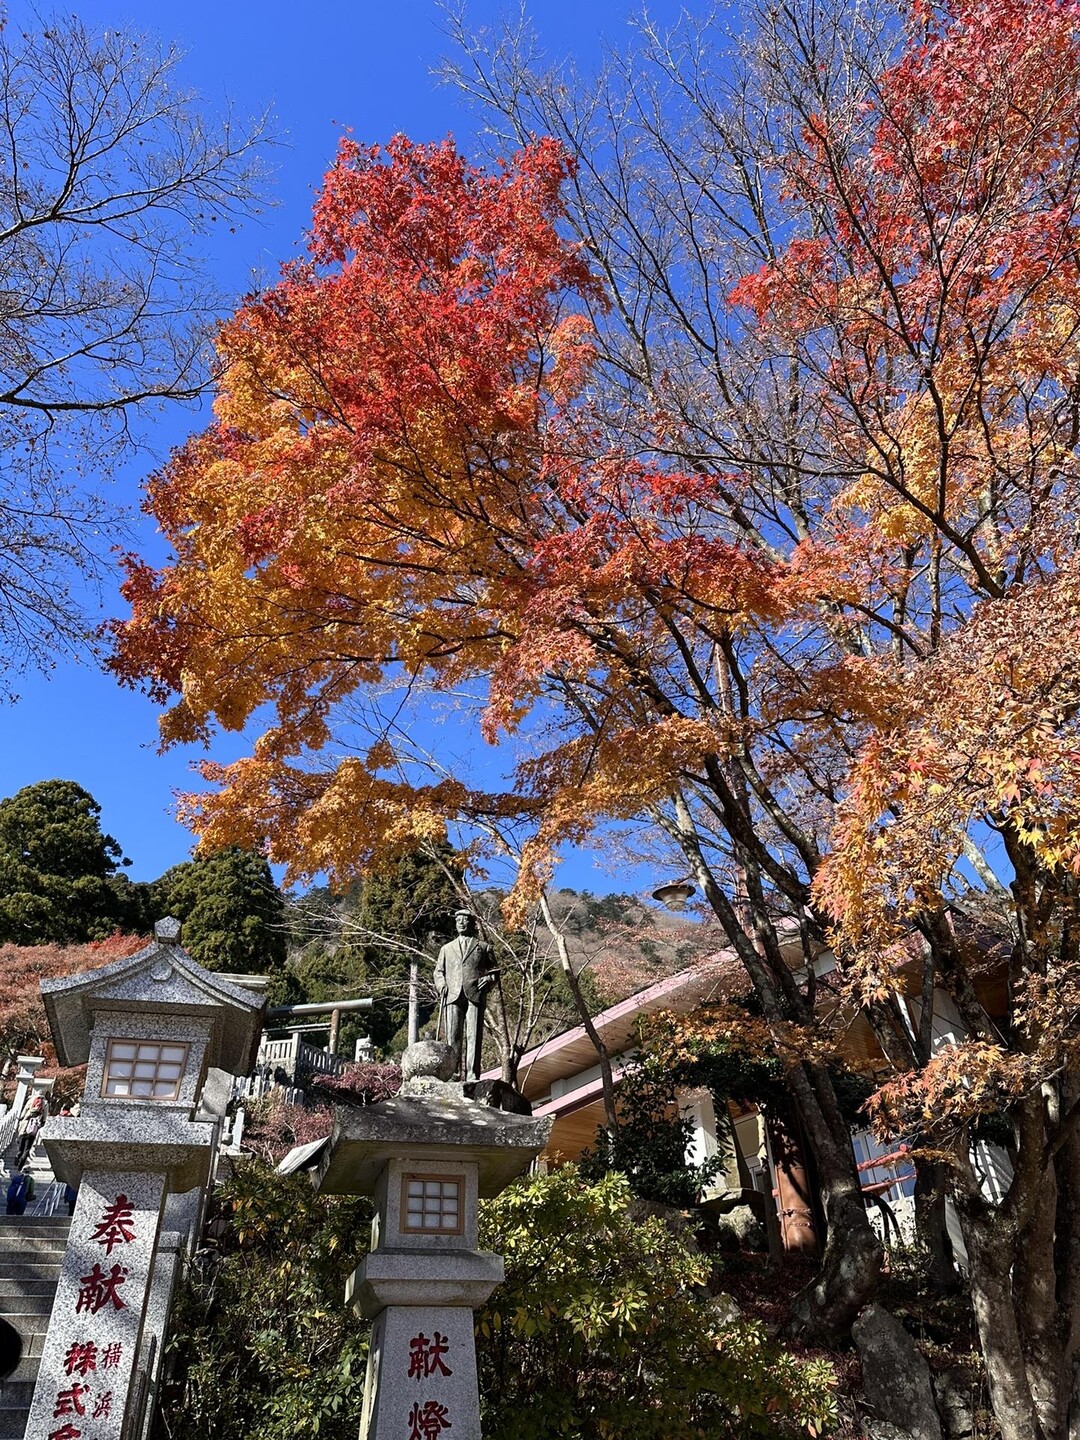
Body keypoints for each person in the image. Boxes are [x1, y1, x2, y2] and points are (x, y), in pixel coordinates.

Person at [434, 909, 498, 1082]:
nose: (461, 923)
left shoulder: (483, 947)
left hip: (475, 993)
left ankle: (472, 1074)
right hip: (452, 994)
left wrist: (489, 980)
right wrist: (442, 985)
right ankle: (453, 1074)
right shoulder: (446, 949)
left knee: (473, 1035)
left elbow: (495, 972)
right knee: (452, 1036)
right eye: (458, 920)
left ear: (472, 923)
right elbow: (438, 972)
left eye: (465, 920)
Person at [13, 1094, 46, 1169]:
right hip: (33, 1129)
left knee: (21, 1146)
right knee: (27, 1148)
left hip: (25, 1126)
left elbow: (24, 1111)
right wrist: (42, 1122)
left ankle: (18, 1155)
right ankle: (20, 1166)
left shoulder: (30, 1100)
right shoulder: (45, 1103)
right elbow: (45, 1116)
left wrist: (21, 1118)